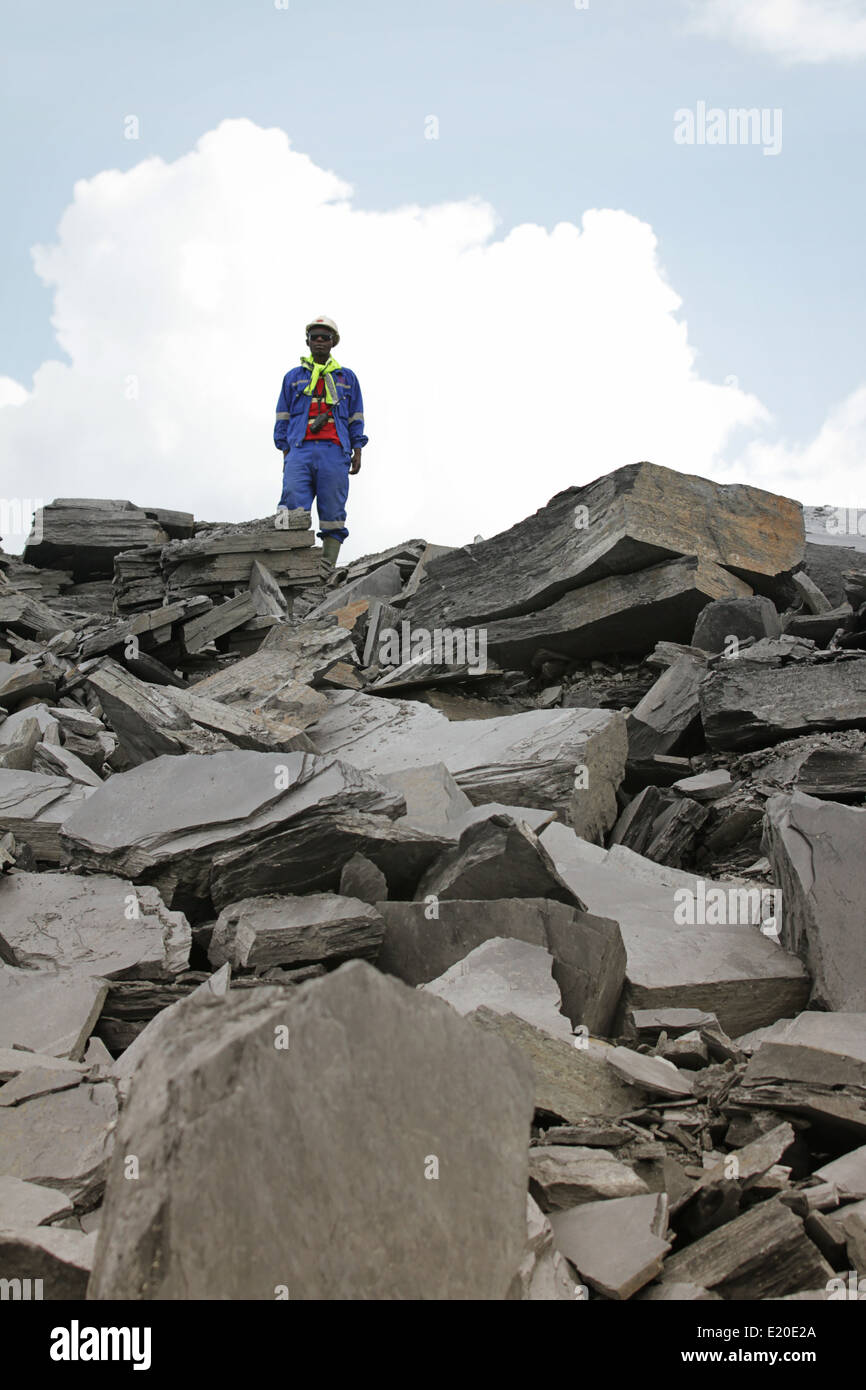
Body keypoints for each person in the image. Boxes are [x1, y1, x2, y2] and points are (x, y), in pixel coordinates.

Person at [273, 316, 368, 578]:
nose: (319, 341)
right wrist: (286, 450)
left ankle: (326, 570)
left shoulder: (346, 378)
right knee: (291, 505)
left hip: (335, 450)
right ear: (307, 341)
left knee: (333, 511)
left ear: (333, 342)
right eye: (314, 336)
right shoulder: (292, 378)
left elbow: (355, 417)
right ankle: (287, 570)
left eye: (325, 337)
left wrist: (358, 449)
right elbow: (283, 415)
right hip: (299, 449)